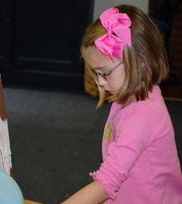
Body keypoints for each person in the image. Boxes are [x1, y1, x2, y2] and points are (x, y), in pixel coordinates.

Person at [63, 5, 182, 204]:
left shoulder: (143, 115)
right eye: (96, 73)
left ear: (140, 63)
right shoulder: (127, 95)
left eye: (104, 72)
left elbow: (108, 181)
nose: (100, 81)